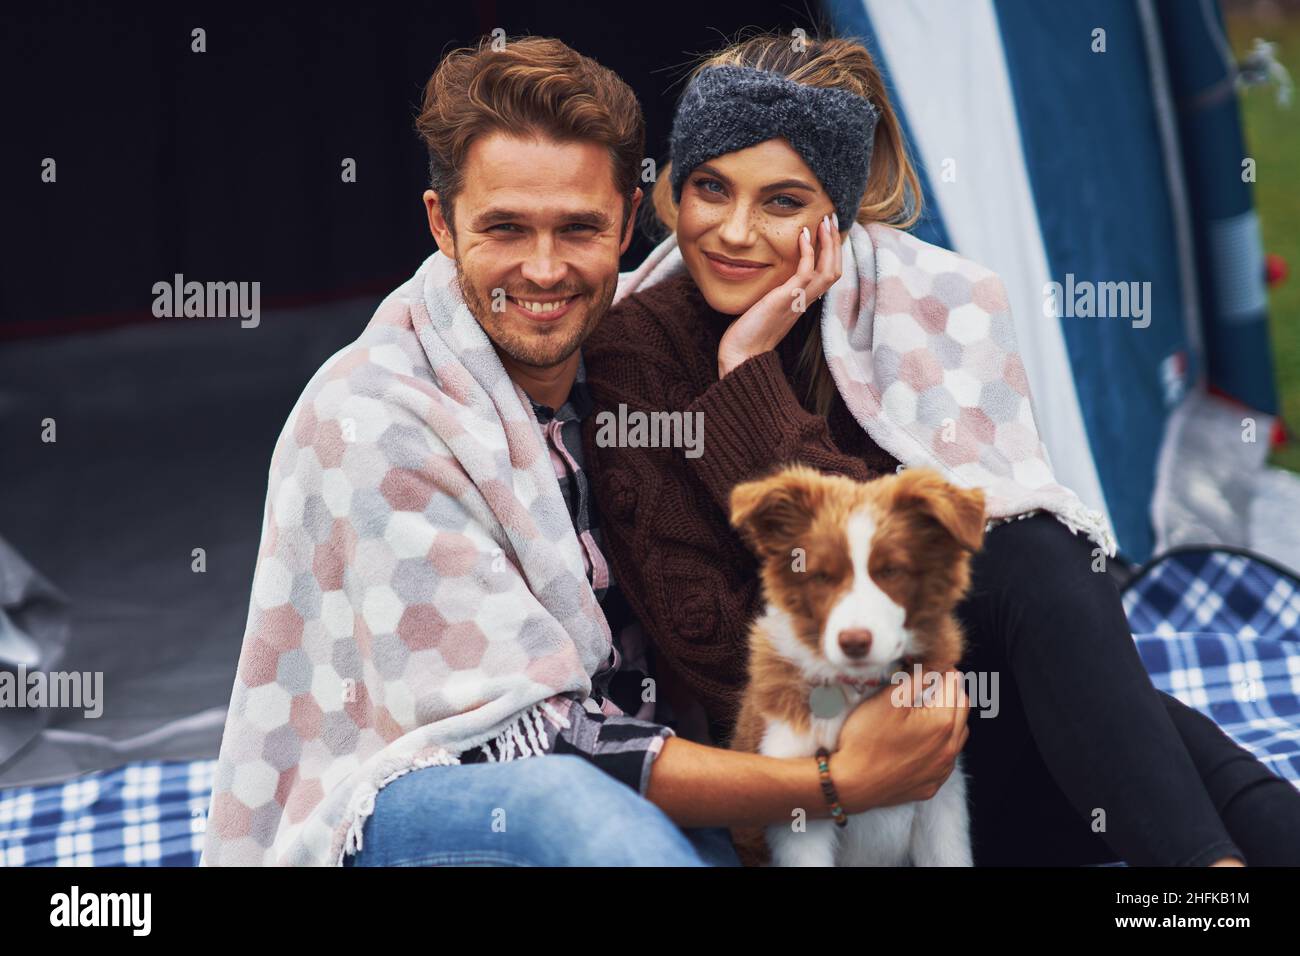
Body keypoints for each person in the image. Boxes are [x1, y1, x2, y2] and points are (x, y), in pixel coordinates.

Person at [200, 35, 968, 868]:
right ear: (440, 223)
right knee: (565, 800)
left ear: (630, 223)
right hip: (429, 808)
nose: (543, 269)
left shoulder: (632, 358)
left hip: (643, 809)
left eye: (578, 228)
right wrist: (828, 782)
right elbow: (538, 744)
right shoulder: (375, 419)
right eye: (504, 228)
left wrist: (749, 365)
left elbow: (849, 555)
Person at [581, 32, 1300, 866]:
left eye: (782, 201)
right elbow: (722, 658)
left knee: (1037, 561)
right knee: (1092, 666)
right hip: (820, 780)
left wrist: (760, 368)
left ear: (836, 216)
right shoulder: (635, 354)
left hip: (955, 733)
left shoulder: (902, 315)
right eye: (711, 187)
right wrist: (745, 374)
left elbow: (922, 576)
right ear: (675, 189)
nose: (734, 232)